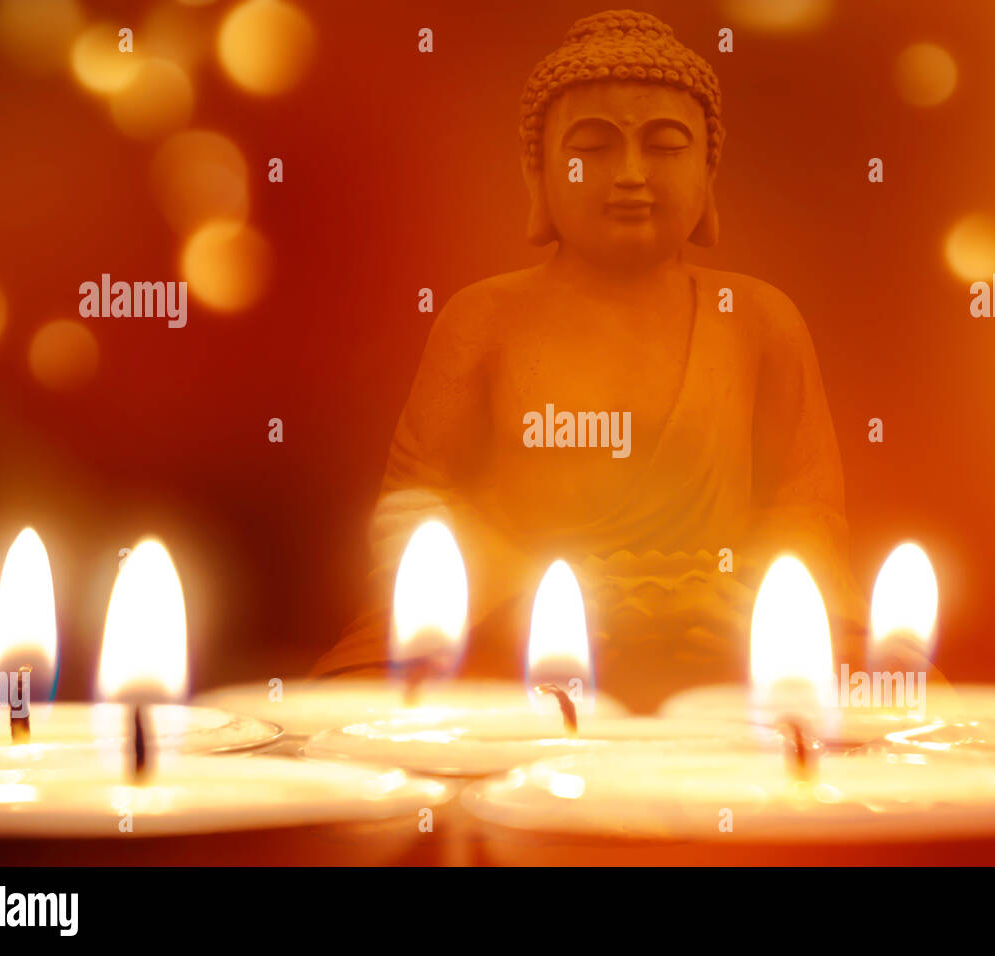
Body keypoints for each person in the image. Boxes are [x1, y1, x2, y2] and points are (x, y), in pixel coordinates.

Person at [313, 10, 866, 711]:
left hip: (716, 631)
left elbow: (805, 505)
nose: (630, 175)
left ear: (709, 168)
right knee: (361, 699)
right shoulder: (483, 318)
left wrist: (755, 599)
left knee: (902, 694)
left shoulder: (759, 317)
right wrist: (535, 598)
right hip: (518, 635)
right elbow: (417, 509)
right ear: (538, 169)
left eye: (665, 146)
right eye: (593, 148)